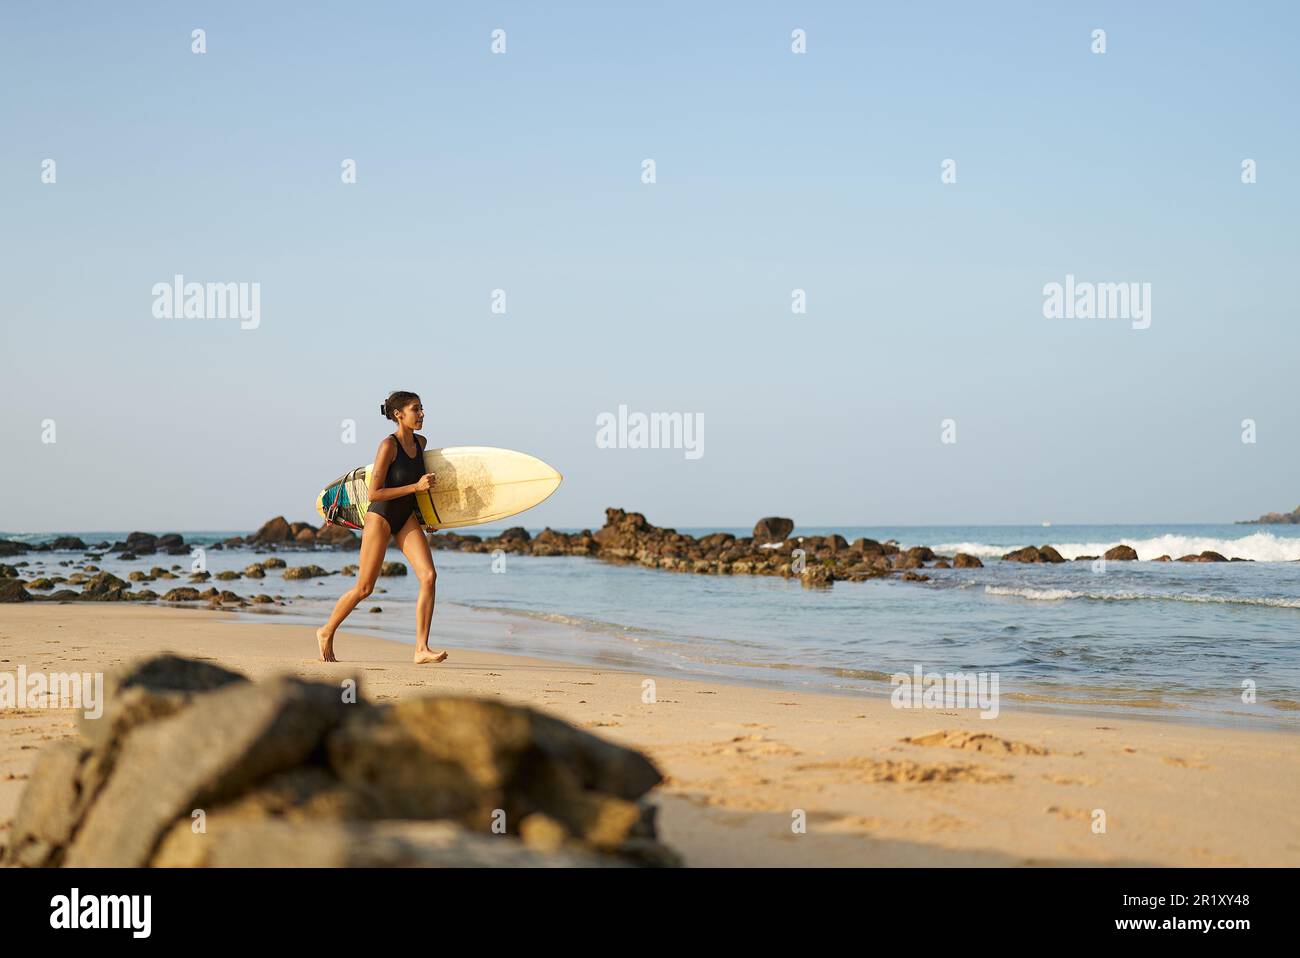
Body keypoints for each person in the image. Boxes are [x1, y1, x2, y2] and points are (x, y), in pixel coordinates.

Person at [317, 390, 448, 664]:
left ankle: (421, 648)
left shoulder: (421, 443)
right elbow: (374, 493)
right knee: (365, 588)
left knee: (428, 576)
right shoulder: (388, 446)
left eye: (422, 408)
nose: (422, 414)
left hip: (406, 517)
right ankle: (326, 631)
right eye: (416, 409)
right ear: (399, 414)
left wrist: (425, 518)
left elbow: (418, 492)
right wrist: (416, 486)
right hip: (381, 517)